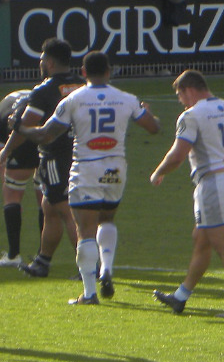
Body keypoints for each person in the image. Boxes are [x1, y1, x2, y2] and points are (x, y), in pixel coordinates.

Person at [8, 51, 160, 305]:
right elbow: (154, 128)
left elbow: (46, 135)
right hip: (116, 167)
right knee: (108, 219)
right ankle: (107, 267)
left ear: (84, 73)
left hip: (86, 167)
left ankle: (90, 293)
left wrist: (20, 127)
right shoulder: (126, 99)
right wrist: (149, 113)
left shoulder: (74, 99)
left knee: (85, 230)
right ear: (109, 71)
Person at [149, 70, 224, 319]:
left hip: (214, 185)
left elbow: (177, 154)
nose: (182, 102)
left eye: (181, 96)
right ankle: (181, 297)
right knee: (202, 239)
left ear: (189, 89)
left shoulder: (192, 115)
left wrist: (158, 173)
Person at [2, 40, 83, 279]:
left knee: (65, 210)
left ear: (49, 62)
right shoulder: (81, 85)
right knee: (49, 207)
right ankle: (42, 261)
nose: (40, 64)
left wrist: (6, 152)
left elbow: (25, 126)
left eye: (41, 60)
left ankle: (89, 267)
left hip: (55, 156)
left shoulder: (44, 90)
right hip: (79, 150)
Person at [0, 90, 37, 267]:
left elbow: (2, 159)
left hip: (18, 135)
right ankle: (42, 257)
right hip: (47, 134)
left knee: (12, 194)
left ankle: (14, 255)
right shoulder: (35, 95)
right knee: (47, 201)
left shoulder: (4, 112)